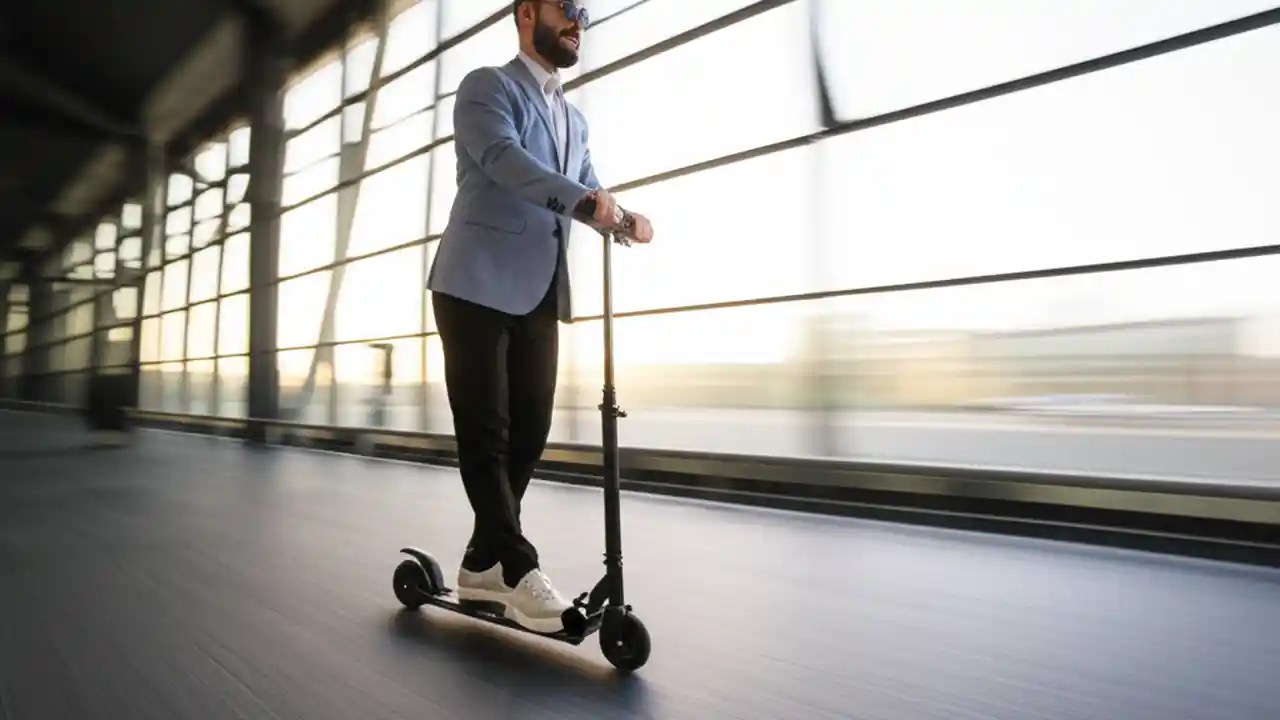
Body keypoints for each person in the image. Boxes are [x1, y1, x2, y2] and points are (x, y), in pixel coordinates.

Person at [425, 0, 654, 634]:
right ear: (527, 13)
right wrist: (586, 202)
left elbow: (588, 183)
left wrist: (626, 218)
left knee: (530, 430)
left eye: (586, 9)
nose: (579, 18)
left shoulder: (573, 118)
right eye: (566, 6)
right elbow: (505, 162)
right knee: (488, 432)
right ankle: (519, 570)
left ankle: (480, 562)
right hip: (472, 284)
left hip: (538, 290)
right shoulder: (487, 88)